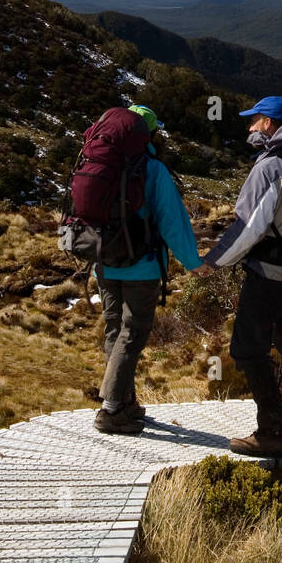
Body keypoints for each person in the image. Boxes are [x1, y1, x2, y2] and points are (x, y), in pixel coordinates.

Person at [203, 96, 282, 457]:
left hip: (269, 273)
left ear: (268, 123)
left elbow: (247, 228)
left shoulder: (271, 165)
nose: (250, 127)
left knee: (248, 349)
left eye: (254, 121)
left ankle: (271, 432)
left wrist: (212, 262)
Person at [94, 104, 209, 436]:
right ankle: (112, 410)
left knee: (115, 332)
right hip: (141, 267)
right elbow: (173, 221)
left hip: (104, 264)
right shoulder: (152, 170)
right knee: (132, 334)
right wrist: (192, 262)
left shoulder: (101, 164)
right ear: (148, 134)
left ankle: (125, 402)